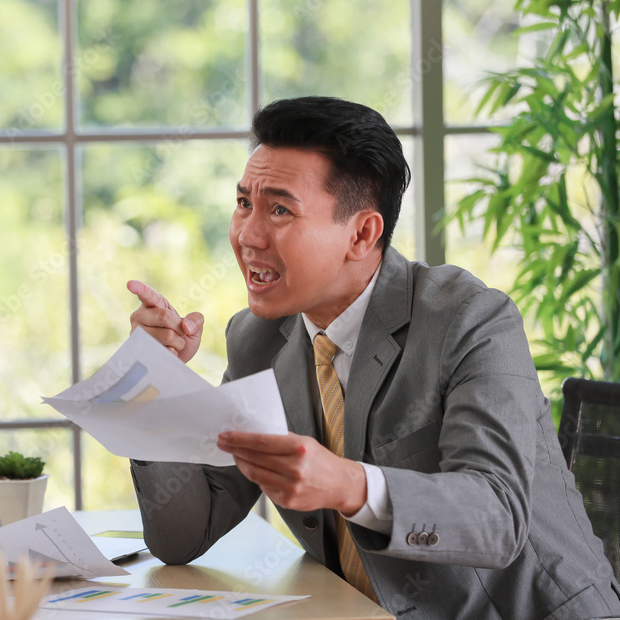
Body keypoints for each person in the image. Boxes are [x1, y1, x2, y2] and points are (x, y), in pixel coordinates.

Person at [126, 96, 620, 619]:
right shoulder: (258, 339)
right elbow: (182, 537)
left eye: (280, 209)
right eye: (244, 203)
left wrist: (346, 483)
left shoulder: (470, 319)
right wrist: (161, 381)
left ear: (362, 233)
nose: (247, 235)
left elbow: (496, 518)